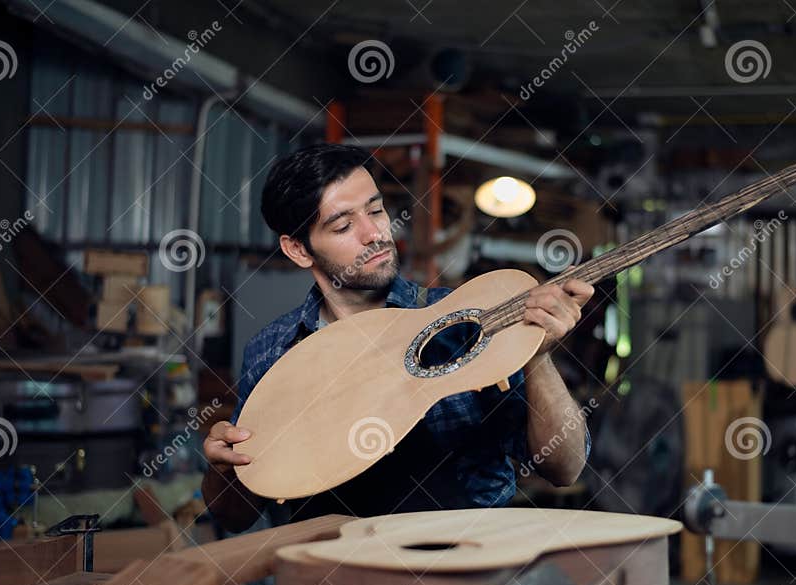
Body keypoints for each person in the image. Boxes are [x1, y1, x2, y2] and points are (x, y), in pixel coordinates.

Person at [202, 143, 594, 532]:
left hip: (469, 568)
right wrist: (221, 469)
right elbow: (234, 516)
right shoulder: (273, 350)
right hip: (332, 577)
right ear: (298, 249)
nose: (374, 233)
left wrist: (538, 357)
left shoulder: (464, 321)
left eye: (375, 210)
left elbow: (564, 468)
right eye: (343, 226)